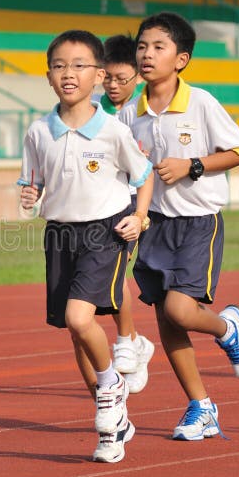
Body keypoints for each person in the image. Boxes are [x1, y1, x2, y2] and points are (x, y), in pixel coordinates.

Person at [118, 12, 239, 441]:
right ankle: (201, 407)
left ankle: (229, 327)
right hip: (154, 227)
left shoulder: (201, 103)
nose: (146, 54)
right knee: (168, 320)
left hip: (199, 223)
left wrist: (192, 165)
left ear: (181, 59)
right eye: (142, 46)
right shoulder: (130, 114)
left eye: (158, 47)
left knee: (181, 310)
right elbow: (125, 172)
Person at [19, 30, 154, 463]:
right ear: (48, 76)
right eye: (59, 66)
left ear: (98, 75)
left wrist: (141, 216)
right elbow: (32, 181)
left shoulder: (113, 131)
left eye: (79, 65)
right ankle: (114, 428)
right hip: (59, 234)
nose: (68, 74)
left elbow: (143, 174)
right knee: (77, 336)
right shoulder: (39, 131)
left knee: (82, 319)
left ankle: (111, 387)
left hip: (105, 232)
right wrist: (28, 194)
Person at [97, 34, 154, 395]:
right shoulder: (93, 108)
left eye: (123, 79)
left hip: (137, 202)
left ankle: (127, 341)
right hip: (104, 201)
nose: (114, 86)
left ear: (138, 76)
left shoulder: (145, 110)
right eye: (108, 78)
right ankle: (134, 341)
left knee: (116, 277)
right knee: (110, 279)